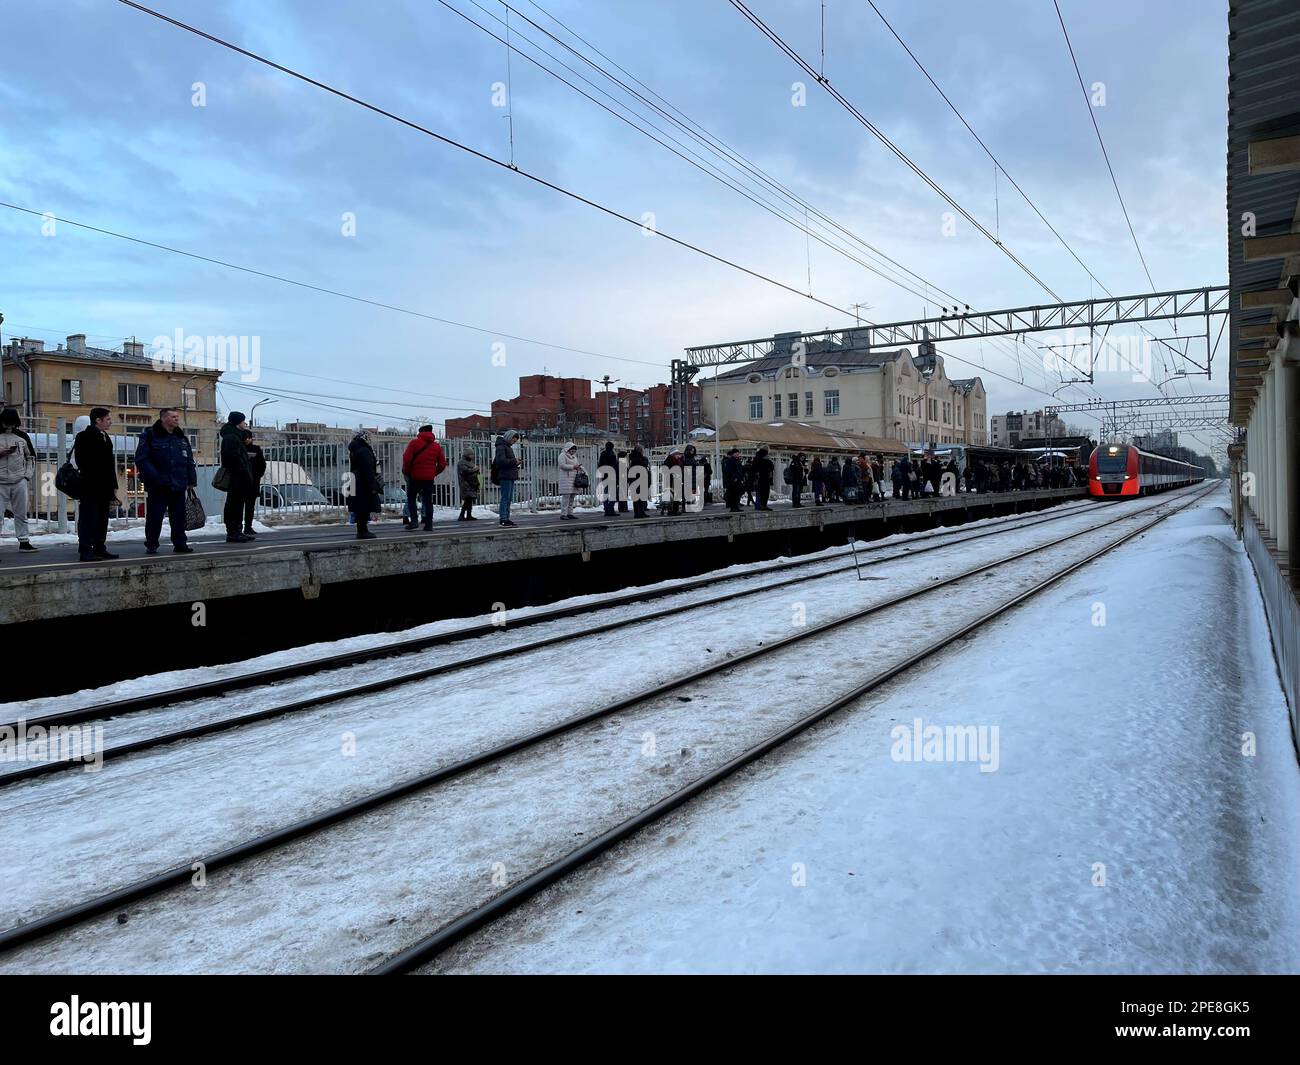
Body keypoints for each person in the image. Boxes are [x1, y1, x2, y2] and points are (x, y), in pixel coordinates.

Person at [135, 406, 198, 555]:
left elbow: (189, 460)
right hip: (158, 485)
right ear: (163, 418)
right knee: (155, 516)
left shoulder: (180, 438)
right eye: (173, 417)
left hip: (178, 483)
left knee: (178, 516)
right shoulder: (150, 436)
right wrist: (155, 477)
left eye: (177, 417)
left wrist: (191, 480)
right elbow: (142, 459)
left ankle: (180, 543)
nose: (177, 419)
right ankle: (151, 543)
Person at [73, 407, 120, 561]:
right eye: (107, 419)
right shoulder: (84, 436)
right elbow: (83, 461)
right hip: (91, 485)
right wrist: (95, 478)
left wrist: (113, 485)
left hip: (105, 486)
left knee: (102, 518)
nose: (110, 422)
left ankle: (100, 547)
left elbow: (109, 463)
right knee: (89, 518)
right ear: (97, 420)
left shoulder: (105, 436)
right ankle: (85, 549)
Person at [0, 407, 37, 554]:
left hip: (19, 480)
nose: (9, 427)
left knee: (21, 513)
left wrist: (27, 475)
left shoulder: (22, 437)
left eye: (11, 424)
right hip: (0, 482)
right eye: (6, 424)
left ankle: (24, 541)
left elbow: (31, 457)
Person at [218, 412, 256, 543]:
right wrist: (241, 470)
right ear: (237, 423)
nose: (244, 424)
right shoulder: (231, 437)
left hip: (240, 477)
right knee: (234, 505)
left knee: (238, 505)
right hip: (236, 477)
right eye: (243, 422)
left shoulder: (237, 437)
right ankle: (233, 532)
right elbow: (231, 458)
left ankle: (237, 531)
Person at [402, 423, 448, 532]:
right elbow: (442, 464)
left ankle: (414, 521)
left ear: (420, 432)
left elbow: (407, 459)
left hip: (415, 476)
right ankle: (429, 524)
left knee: (412, 498)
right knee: (428, 500)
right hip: (428, 478)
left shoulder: (414, 443)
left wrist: (408, 471)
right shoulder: (436, 446)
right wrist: (433, 472)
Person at [348, 428, 382, 539]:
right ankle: (363, 531)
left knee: (360, 505)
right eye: (368, 436)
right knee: (364, 505)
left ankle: (361, 530)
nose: (370, 439)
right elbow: (368, 468)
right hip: (363, 481)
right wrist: (373, 484)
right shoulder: (364, 450)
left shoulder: (355, 448)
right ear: (364, 437)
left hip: (356, 479)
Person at [493, 429, 521, 526]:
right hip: (505, 476)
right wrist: (514, 461)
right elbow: (501, 462)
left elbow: (507, 461)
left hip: (509, 475)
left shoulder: (507, 447)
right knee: (505, 498)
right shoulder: (501, 447)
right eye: (514, 439)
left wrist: (515, 462)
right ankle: (503, 519)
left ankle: (506, 518)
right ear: (510, 437)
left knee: (508, 499)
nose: (514, 442)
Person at [242, 428, 266, 538]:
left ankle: (248, 526)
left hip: (253, 482)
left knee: (250, 506)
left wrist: (257, 476)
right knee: (238, 506)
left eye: (248, 438)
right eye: (245, 438)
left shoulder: (256, 449)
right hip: (241, 481)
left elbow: (262, 464)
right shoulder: (239, 448)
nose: (247, 440)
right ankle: (238, 527)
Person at [558, 441, 585, 519]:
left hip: (573, 478)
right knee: (566, 497)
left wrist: (580, 468)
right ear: (568, 449)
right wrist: (573, 467)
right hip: (566, 478)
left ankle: (570, 513)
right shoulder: (562, 455)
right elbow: (562, 465)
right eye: (572, 449)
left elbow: (576, 464)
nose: (573, 451)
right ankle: (563, 514)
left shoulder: (574, 457)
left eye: (574, 450)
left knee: (572, 496)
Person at [456, 447, 480, 520]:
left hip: (472, 483)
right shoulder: (461, 463)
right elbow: (466, 471)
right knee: (468, 499)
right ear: (467, 455)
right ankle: (461, 515)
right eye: (470, 455)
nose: (472, 456)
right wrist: (475, 469)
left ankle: (469, 514)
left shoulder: (470, 462)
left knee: (470, 499)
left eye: (472, 455)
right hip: (465, 483)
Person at [628, 444, 651, 518]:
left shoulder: (633, 458)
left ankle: (639, 512)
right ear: (640, 451)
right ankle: (639, 513)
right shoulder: (638, 458)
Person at [597, 441, 619, 517]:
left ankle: (607, 509)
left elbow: (600, 465)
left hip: (604, 476)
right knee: (613, 494)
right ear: (612, 447)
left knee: (605, 494)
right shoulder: (612, 454)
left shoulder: (602, 454)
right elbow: (615, 466)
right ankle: (610, 509)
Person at [722, 447, 745, 512]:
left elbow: (740, 470)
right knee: (733, 494)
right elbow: (728, 470)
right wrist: (734, 477)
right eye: (736, 453)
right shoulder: (730, 461)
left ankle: (736, 506)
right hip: (733, 481)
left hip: (738, 480)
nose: (738, 454)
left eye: (738, 453)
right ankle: (733, 507)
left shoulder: (738, 460)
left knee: (738, 494)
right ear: (733, 454)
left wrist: (741, 477)